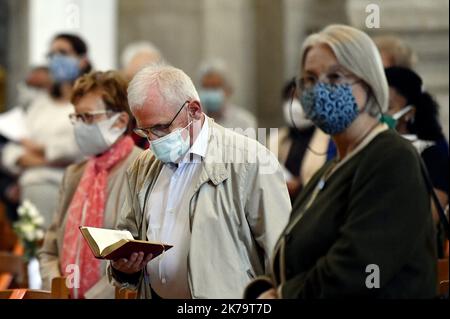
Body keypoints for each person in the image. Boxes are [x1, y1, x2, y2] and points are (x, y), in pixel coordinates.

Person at [246, 25, 437, 299]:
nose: (319, 88)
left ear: (369, 83)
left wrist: (282, 295)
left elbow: (355, 269)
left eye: (334, 76)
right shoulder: (331, 169)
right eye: (310, 79)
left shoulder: (392, 159)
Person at [107, 64, 291, 299]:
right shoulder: (143, 165)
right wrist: (123, 267)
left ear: (193, 110)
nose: (153, 140)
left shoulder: (250, 160)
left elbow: (282, 253)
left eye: (161, 127)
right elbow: (129, 234)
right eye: (145, 131)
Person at [38, 71, 142, 299]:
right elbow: (49, 250)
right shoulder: (74, 174)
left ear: (121, 121)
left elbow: (139, 254)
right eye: (76, 117)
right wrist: (58, 291)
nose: (79, 126)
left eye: (87, 117)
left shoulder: (143, 169)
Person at [1, 33, 91, 227]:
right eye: (51, 54)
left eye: (63, 52)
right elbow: (13, 148)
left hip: (64, 190)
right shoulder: (40, 104)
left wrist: (33, 147)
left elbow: (74, 151)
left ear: (82, 60)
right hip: (28, 191)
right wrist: (39, 156)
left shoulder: (86, 105)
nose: (56, 58)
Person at [385, 66, 449, 256]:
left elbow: (429, 219)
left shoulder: (432, 153)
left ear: (409, 112)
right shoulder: (374, 148)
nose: (381, 114)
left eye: (388, 107)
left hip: (413, 257)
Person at [0, 66, 51, 222]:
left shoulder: (57, 119)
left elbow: (62, 153)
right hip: (12, 204)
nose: (33, 91)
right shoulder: (8, 122)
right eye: (29, 86)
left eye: (39, 87)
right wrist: (8, 188)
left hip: (48, 192)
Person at [269, 79, 333, 200]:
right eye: (289, 98)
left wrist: (300, 185)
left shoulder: (329, 138)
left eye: (299, 98)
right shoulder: (277, 138)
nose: (293, 104)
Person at [197, 58, 257, 132]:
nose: (210, 91)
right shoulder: (193, 120)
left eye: (214, 87)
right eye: (206, 86)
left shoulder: (244, 123)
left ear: (228, 89)